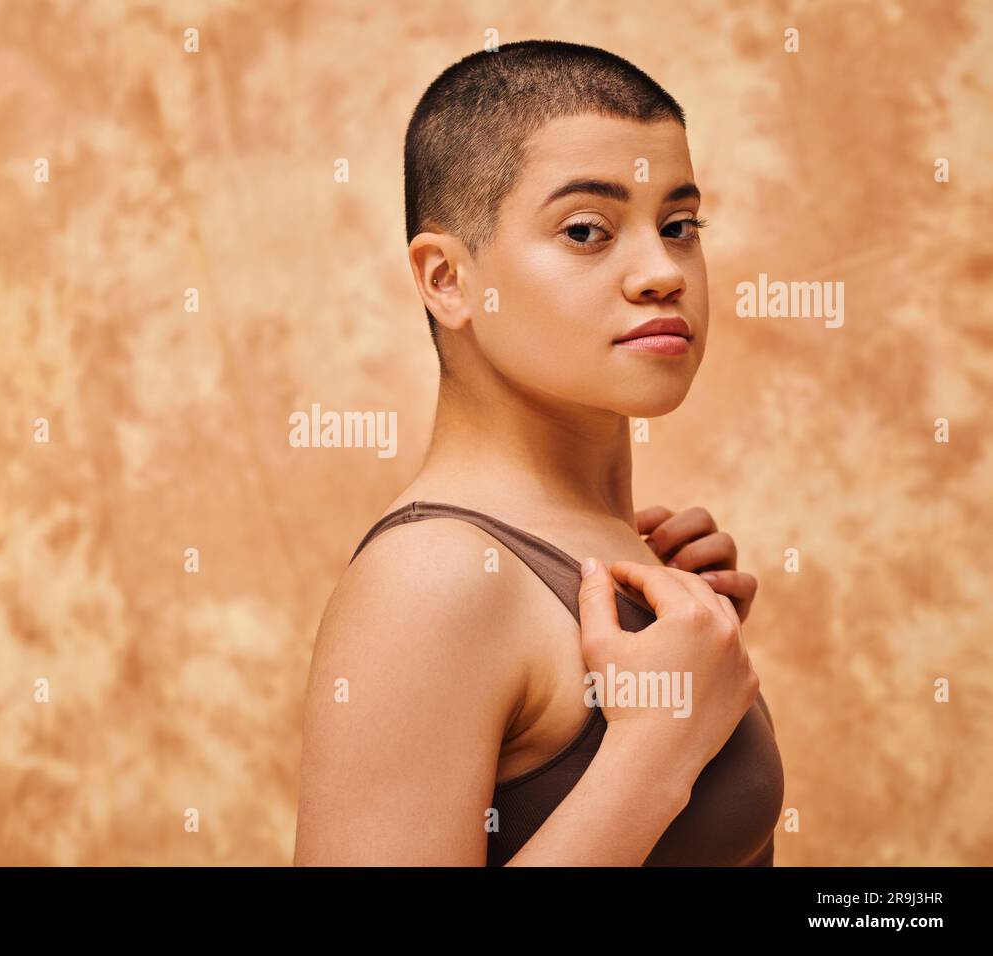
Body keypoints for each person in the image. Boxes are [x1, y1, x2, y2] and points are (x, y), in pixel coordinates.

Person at [293, 40, 784, 866]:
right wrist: (657, 748)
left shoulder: (630, 556)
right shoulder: (430, 582)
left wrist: (692, 637)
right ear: (447, 280)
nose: (662, 271)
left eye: (680, 225)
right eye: (588, 230)